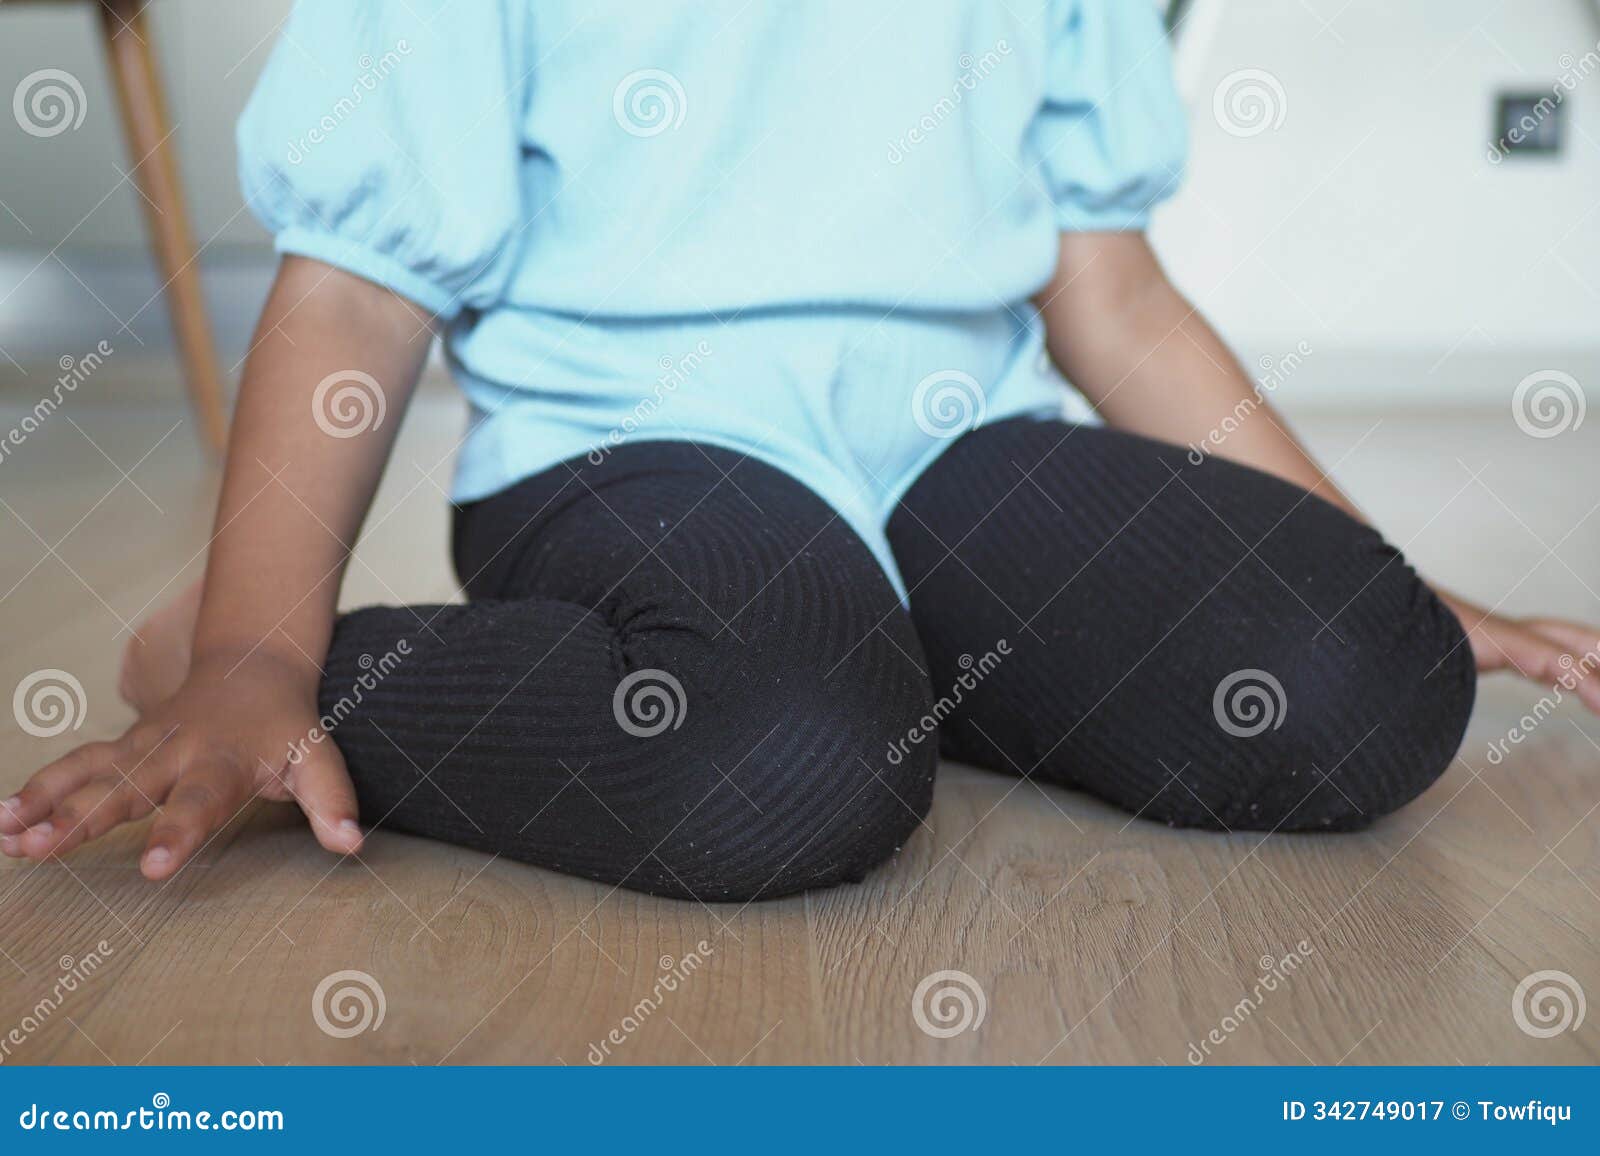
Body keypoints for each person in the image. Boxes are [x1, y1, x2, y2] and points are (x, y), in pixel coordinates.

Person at [5, 0, 1596, 902]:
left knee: (1368, 676)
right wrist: (250, 647)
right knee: (785, 762)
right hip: (634, 441)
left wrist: (1382, 573)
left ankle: (896, 648)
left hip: (951, 444)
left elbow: (1106, 283)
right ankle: (306, 680)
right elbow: (355, 300)